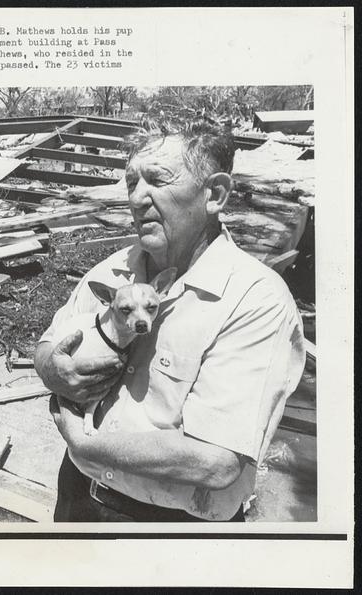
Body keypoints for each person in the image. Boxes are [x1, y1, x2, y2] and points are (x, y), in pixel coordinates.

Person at [34, 119, 306, 522]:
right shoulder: (112, 273)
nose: (138, 197)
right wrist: (54, 370)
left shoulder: (254, 301)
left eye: (157, 180)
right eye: (131, 183)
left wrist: (88, 443)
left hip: (173, 529)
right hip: (77, 495)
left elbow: (215, 461)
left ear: (214, 194)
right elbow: (46, 345)